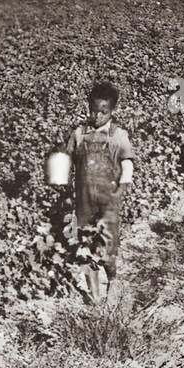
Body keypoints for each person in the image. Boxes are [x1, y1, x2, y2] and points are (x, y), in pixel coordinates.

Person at [65, 80, 135, 298]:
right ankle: (95, 297)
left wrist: (120, 190)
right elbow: (67, 162)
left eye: (103, 112)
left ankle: (112, 282)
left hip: (108, 201)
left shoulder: (118, 136)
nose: (97, 116)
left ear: (112, 111)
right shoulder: (78, 135)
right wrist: (65, 190)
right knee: (85, 248)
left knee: (106, 249)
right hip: (84, 200)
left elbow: (127, 165)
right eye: (93, 111)